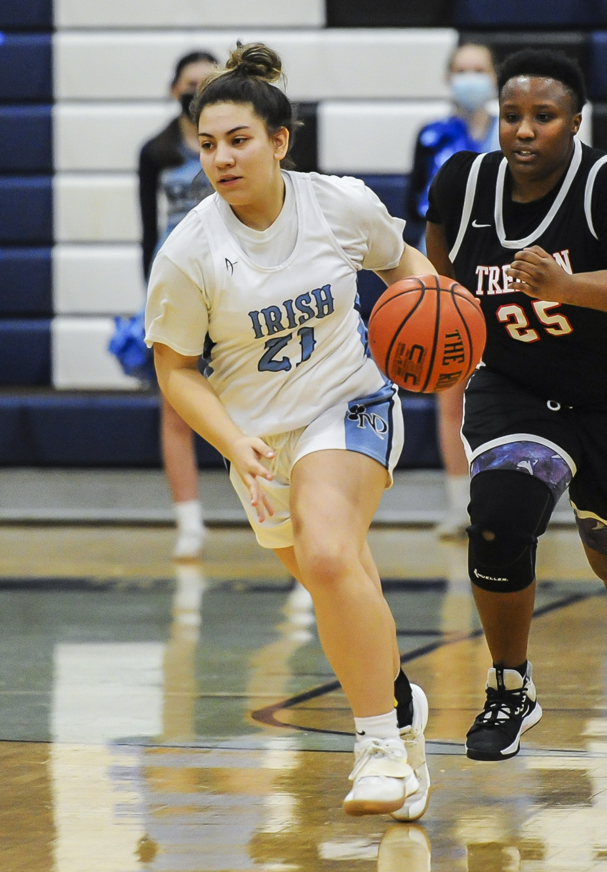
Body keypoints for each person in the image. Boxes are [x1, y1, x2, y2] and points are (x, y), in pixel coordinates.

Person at [144, 43, 437, 819]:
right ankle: (400, 700)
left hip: (354, 400)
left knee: (331, 549)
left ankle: (376, 743)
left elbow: (407, 265)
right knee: (341, 583)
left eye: (238, 139)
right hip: (261, 442)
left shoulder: (338, 204)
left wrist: (445, 317)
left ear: (279, 140)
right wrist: (232, 443)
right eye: (207, 144)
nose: (221, 157)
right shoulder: (189, 251)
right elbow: (175, 369)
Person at [423, 49, 607, 783]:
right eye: (513, 115)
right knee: (501, 517)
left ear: (574, 123)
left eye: (542, 117)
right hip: (518, 390)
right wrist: (429, 323)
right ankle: (510, 686)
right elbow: (436, 271)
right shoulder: (462, 181)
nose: (523, 130)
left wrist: (569, 285)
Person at [406, 42, 501, 538]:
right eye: (460, 69)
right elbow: (412, 211)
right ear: (448, 77)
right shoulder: (431, 136)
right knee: (451, 395)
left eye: (478, 69)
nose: (469, 77)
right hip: (444, 281)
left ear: (494, 76)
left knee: (511, 388)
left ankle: (513, 496)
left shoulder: (515, 132)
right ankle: (460, 503)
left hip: (505, 281)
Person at [137, 50, 219, 560]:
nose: (197, 90)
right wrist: (145, 297)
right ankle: (189, 521)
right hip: (177, 290)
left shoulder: (233, 148)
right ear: (175, 91)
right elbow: (148, 231)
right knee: (175, 407)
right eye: (190, 84)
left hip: (232, 288)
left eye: (207, 83)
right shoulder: (157, 152)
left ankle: (281, 510)